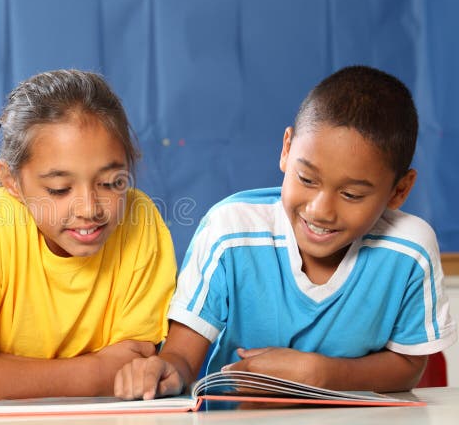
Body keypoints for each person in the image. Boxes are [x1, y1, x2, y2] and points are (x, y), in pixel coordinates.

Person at [115, 65, 456, 401]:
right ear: (286, 149)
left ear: (400, 190)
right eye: (306, 179)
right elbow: (181, 357)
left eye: (351, 195)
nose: (320, 210)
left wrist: (323, 374)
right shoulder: (231, 230)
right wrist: (164, 370)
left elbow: (409, 367)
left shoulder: (410, 250)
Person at [0, 69, 176, 407]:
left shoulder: (139, 219)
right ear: (12, 182)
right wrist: (94, 372)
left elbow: (134, 363)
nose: (89, 208)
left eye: (110, 182)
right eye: (59, 189)